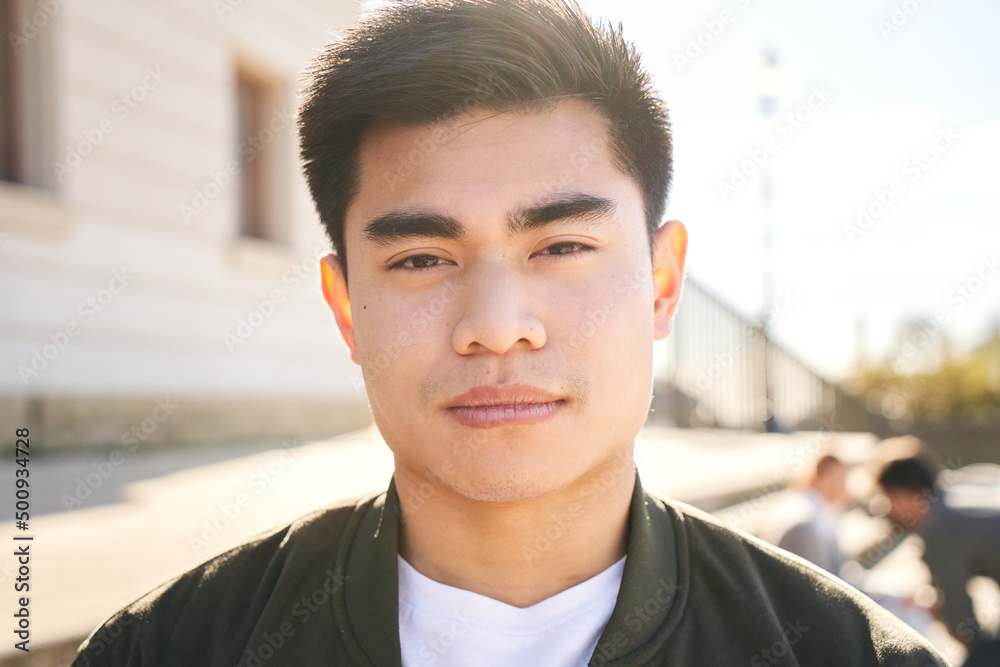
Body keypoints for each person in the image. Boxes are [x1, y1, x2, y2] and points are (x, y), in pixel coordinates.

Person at [74, 1, 947, 664]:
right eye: (420, 258)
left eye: (561, 245)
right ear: (344, 307)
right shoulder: (174, 644)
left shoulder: (841, 649)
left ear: (661, 282)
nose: (496, 327)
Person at [877, 455, 1000, 666]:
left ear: (899, 495)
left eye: (888, 500)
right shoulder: (953, 498)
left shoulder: (938, 525)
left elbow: (958, 614)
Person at [759, 454, 850, 575]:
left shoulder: (815, 509)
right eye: (838, 479)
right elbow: (817, 579)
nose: (843, 486)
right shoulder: (805, 520)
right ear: (819, 476)